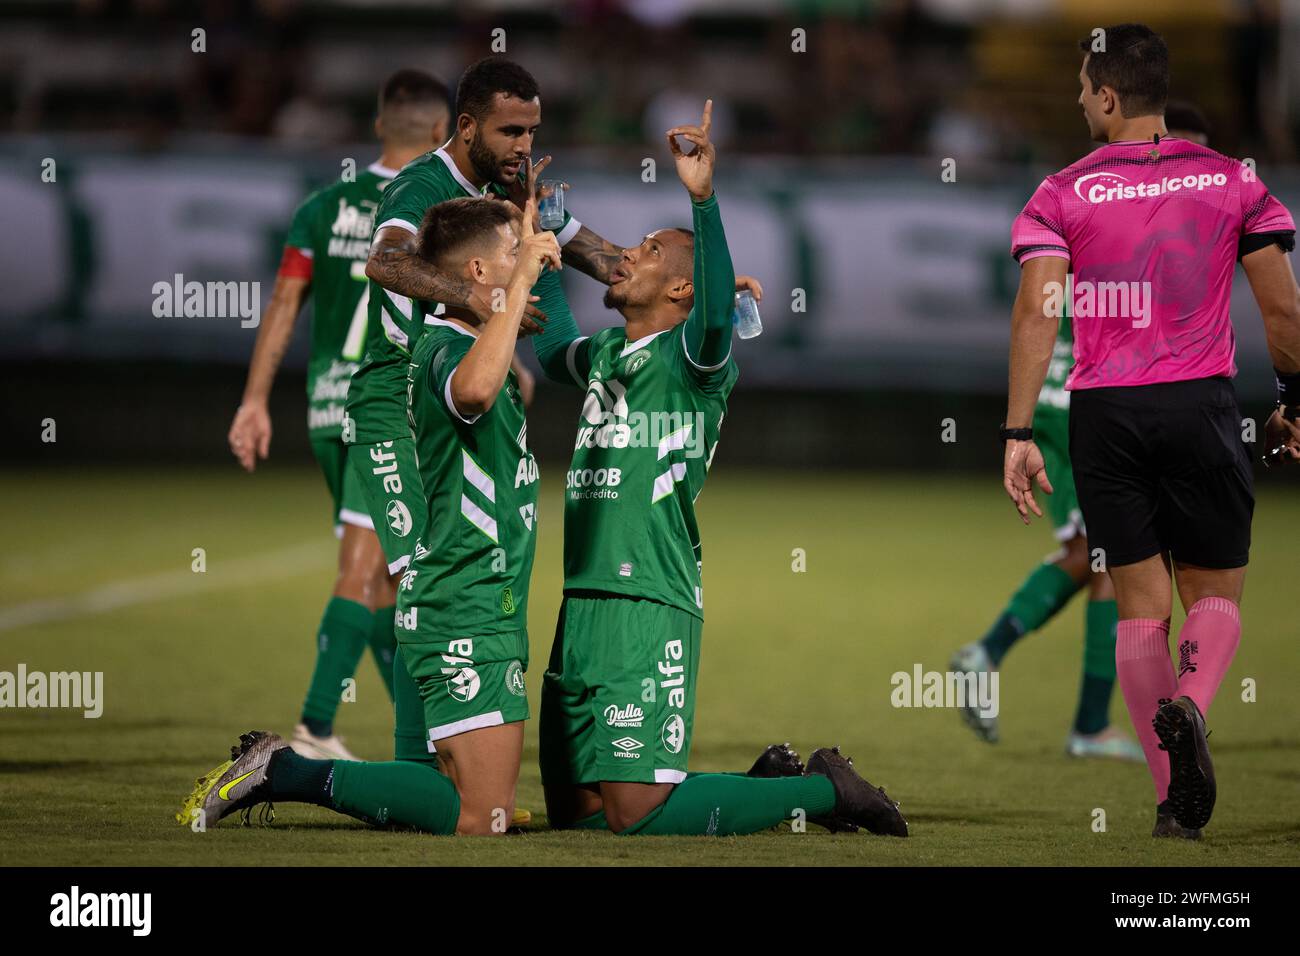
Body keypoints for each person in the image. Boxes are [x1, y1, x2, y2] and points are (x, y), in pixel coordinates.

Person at [529, 101, 909, 837]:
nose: (624, 257)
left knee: (634, 818)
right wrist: (544, 246)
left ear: (679, 288)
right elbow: (549, 354)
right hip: (580, 601)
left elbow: (710, 310)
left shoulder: (695, 359)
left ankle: (829, 793)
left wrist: (702, 199)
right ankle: (760, 785)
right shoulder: (611, 352)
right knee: (577, 818)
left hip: (649, 603)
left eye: (643, 251)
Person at [1001, 24, 1300, 838]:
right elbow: (1282, 309)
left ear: (1105, 95)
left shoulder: (1062, 190)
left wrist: (1018, 430)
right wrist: (1294, 403)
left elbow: (1040, 308)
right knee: (1215, 592)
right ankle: (1195, 707)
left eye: (1081, 87)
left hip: (1106, 415)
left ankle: (1175, 805)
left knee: (1140, 607)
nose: (1076, 99)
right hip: (1202, 407)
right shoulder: (1234, 180)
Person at [225, 69, 450, 761]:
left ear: (380, 125)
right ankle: (316, 727)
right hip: (385, 406)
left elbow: (286, 305)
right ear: (443, 134)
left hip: (326, 411)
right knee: (371, 568)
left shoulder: (321, 207)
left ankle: (419, 743)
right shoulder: (434, 209)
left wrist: (255, 399)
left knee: (382, 579)